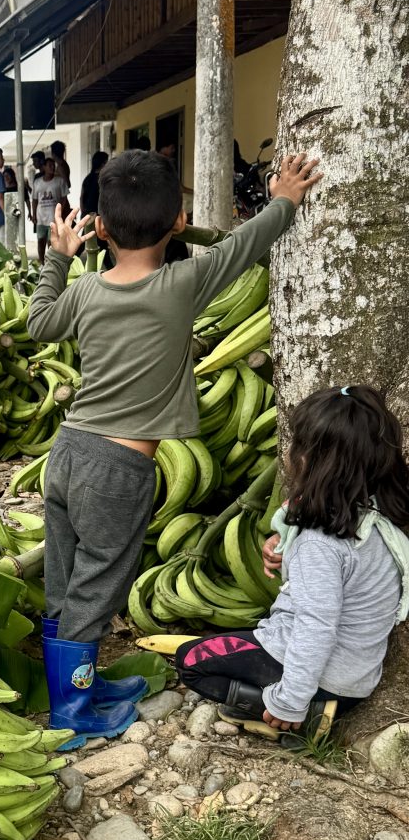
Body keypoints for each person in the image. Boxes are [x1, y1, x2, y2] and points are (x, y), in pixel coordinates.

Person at [26, 150, 322, 747]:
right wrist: (286, 197)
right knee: (97, 585)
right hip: (118, 468)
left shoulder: (85, 291)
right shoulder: (182, 284)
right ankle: (72, 711)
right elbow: (246, 243)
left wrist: (58, 259)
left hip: (68, 452)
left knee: (63, 577)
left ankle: (74, 685)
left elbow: (38, 323)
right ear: (179, 221)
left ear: (100, 228)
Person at [174, 385, 409, 747]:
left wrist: (290, 701)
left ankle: (296, 717)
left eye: (296, 444)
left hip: (319, 680)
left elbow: (316, 627)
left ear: (313, 464)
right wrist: (285, 544)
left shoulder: (320, 544)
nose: (287, 452)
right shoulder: (373, 514)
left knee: (190, 659)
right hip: (356, 677)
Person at [31, 158, 69, 264]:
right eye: (50, 165)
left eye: (53, 165)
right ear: (44, 168)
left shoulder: (60, 181)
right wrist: (33, 214)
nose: (52, 167)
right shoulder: (37, 182)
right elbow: (34, 200)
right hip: (41, 218)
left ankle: (50, 263)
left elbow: (64, 198)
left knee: (51, 242)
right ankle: (42, 263)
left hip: (53, 218)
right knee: (40, 241)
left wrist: (59, 212)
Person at [79, 151, 109, 217]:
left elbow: (81, 197)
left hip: (87, 215)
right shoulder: (103, 179)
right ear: (103, 164)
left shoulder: (88, 178)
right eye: (107, 162)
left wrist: (83, 213)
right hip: (98, 215)